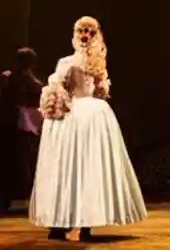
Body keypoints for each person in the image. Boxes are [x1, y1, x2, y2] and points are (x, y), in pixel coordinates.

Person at [29, 16, 146, 241]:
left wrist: (54, 101)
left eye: (88, 32)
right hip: (87, 114)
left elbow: (62, 90)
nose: (84, 36)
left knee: (81, 167)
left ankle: (76, 223)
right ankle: (70, 223)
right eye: (81, 31)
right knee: (74, 167)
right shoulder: (89, 63)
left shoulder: (75, 63)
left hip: (80, 115)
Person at [0, 47, 44, 214]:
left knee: (20, 162)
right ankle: (11, 196)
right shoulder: (12, 78)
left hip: (19, 127)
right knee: (16, 162)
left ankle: (16, 195)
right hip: (12, 126)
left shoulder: (30, 82)